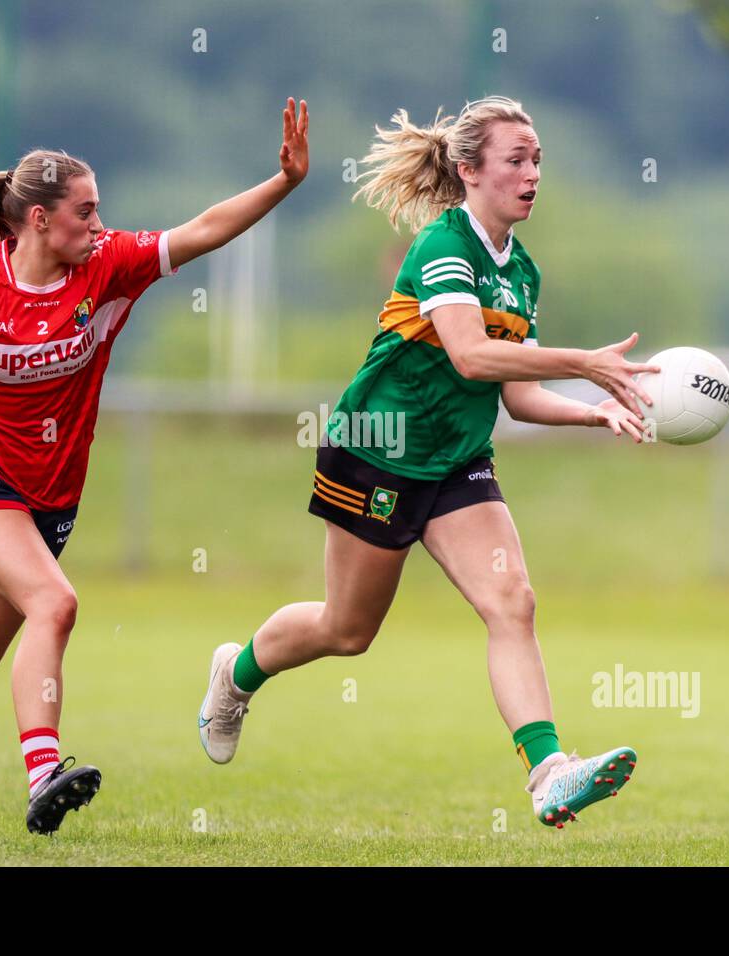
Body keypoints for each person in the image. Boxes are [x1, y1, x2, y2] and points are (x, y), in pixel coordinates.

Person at [0, 99, 310, 834]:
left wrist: (283, 182)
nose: (99, 224)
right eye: (85, 210)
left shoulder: (108, 267)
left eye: (99, 210)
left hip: (50, 499)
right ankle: (44, 774)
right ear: (38, 220)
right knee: (56, 604)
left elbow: (202, 230)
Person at [197, 96, 655, 829]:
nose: (532, 172)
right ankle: (236, 672)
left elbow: (520, 396)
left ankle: (548, 772)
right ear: (469, 171)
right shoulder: (443, 247)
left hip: (457, 461)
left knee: (514, 603)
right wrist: (585, 362)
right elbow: (472, 355)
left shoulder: (522, 272)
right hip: (376, 451)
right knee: (346, 630)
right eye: (516, 159)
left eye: (537, 159)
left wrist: (591, 408)